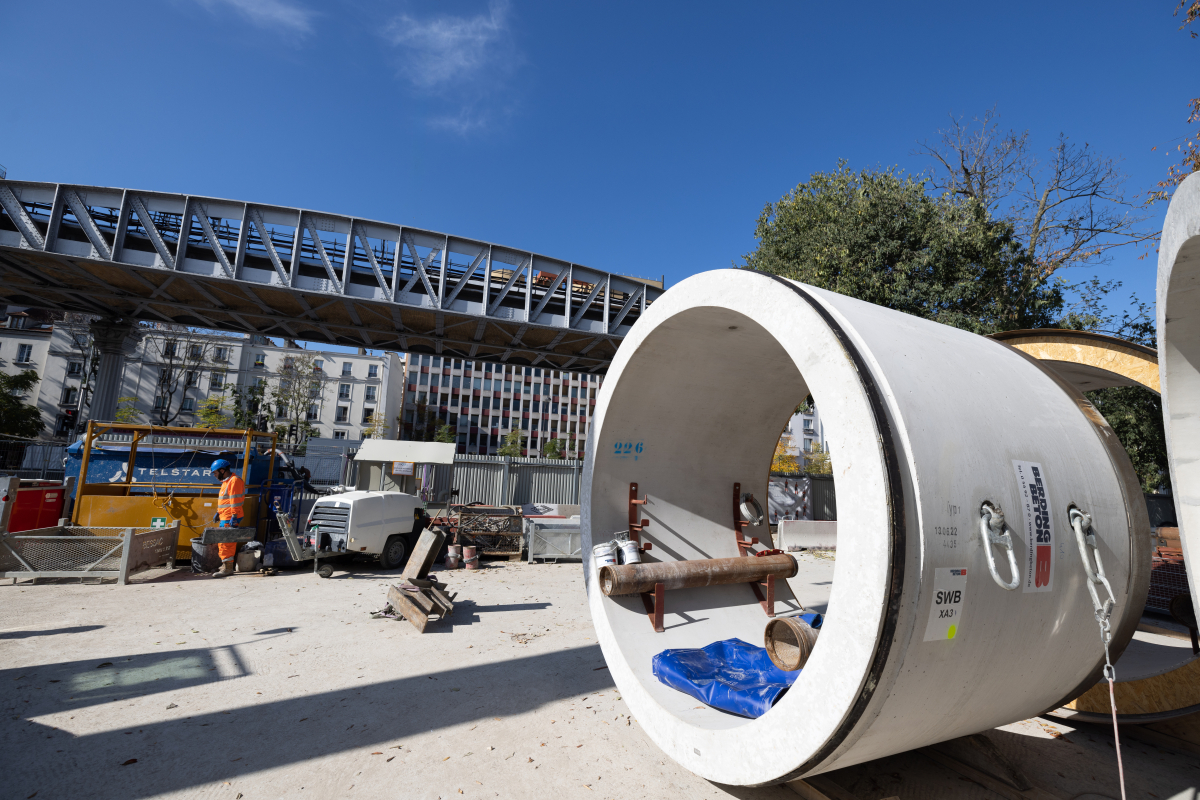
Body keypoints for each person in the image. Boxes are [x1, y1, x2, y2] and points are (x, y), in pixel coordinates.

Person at [210, 458, 245, 577]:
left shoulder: (234, 481)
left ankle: (228, 567)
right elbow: (225, 501)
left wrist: (234, 516)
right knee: (223, 541)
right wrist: (218, 512)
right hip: (226, 516)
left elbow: (235, 501)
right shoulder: (226, 482)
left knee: (227, 542)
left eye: (215, 473)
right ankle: (225, 564)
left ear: (222, 470)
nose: (214, 475)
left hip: (231, 516)